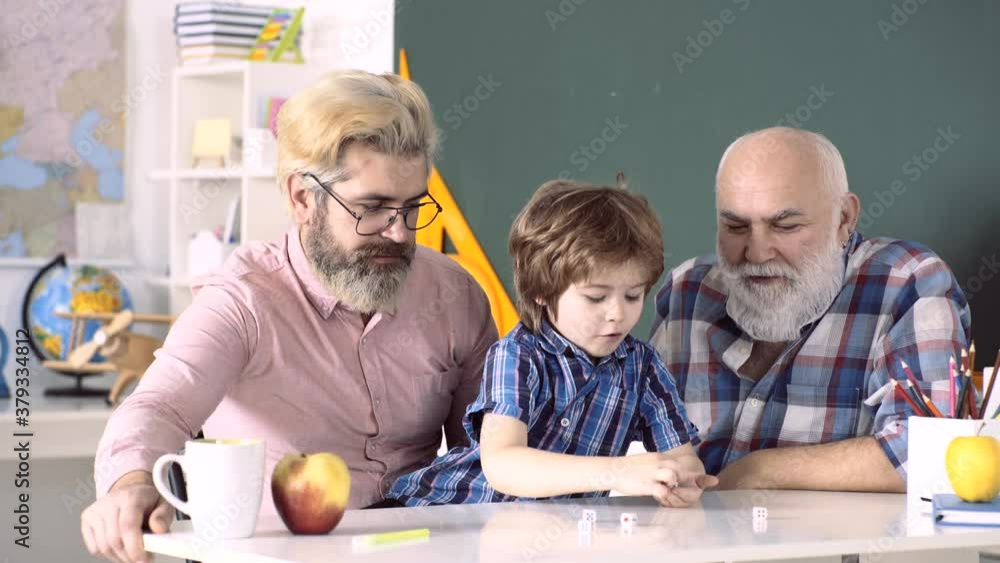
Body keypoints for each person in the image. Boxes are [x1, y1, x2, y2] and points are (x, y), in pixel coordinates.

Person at [81, 70, 498, 562]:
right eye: (373, 208)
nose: (401, 234)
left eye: (411, 208)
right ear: (303, 197)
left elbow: (489, 446)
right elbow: (159, 406)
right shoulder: (242, 300)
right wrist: (129, 484)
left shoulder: (454, 294)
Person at [649, 127, 970, 492]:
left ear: (844, 219)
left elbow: (931, 452)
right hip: (686, 545)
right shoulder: (685, 291)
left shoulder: (909, 283)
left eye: (785, 225)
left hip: (842, 549)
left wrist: (756, 472)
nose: (756, 253)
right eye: (735, 226)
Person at [385, 179, 717, 507]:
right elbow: (503, 464)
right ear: (541, 291)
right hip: (444, 513)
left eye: (633, 295)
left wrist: (682, 478)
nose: (617, 313)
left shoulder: (643, 368)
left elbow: (682, 456)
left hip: (540, 534)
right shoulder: (517, 355)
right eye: (596, 297)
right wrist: (616, 472)